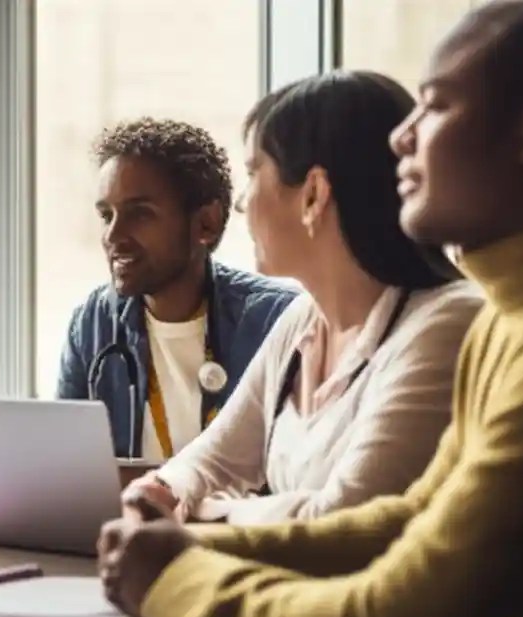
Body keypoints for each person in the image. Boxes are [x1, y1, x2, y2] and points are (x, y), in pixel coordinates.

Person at [100, 2, 523, 617]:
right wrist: (200, 542)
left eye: (434, 106)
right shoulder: (505, 323)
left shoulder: (492, 328)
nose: (401, 138)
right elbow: (407, 520)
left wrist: (180, 578)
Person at [122, 72, 482, 525]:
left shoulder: (446, 327)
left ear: (313, 195)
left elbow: (344, 519)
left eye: (253, 174)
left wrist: (217, 513)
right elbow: (213, 460)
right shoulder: (303, 320)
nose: (240, 204)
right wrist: (161, 488)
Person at [57, 118, 297, 460]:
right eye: (106, 216)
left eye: (139, 214)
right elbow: (66, 469)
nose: (113, 237)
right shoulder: (92, 325)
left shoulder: (277, 321)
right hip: (128, 514)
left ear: (206, 223)